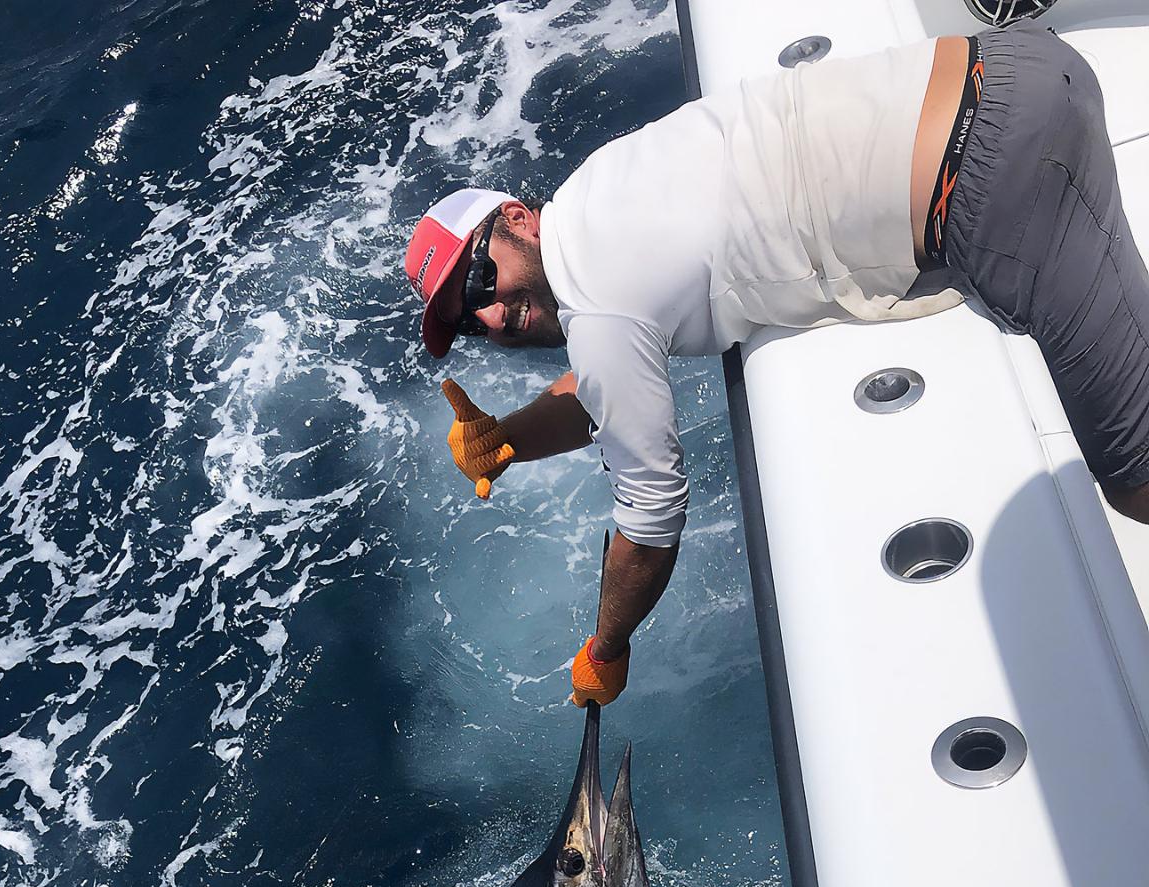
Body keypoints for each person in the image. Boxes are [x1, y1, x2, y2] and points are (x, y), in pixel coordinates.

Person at [404, 7, 1149, 708]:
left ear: (516, 219)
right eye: (468, 324)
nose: (490, 315)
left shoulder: (598, 308)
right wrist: (509, 438)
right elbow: (605, 380)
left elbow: (652, 519)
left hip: (1004, 173)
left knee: (1136, 479)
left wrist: (607, 647)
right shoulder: (594, 195)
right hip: (1008, 73)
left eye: (479, 282)